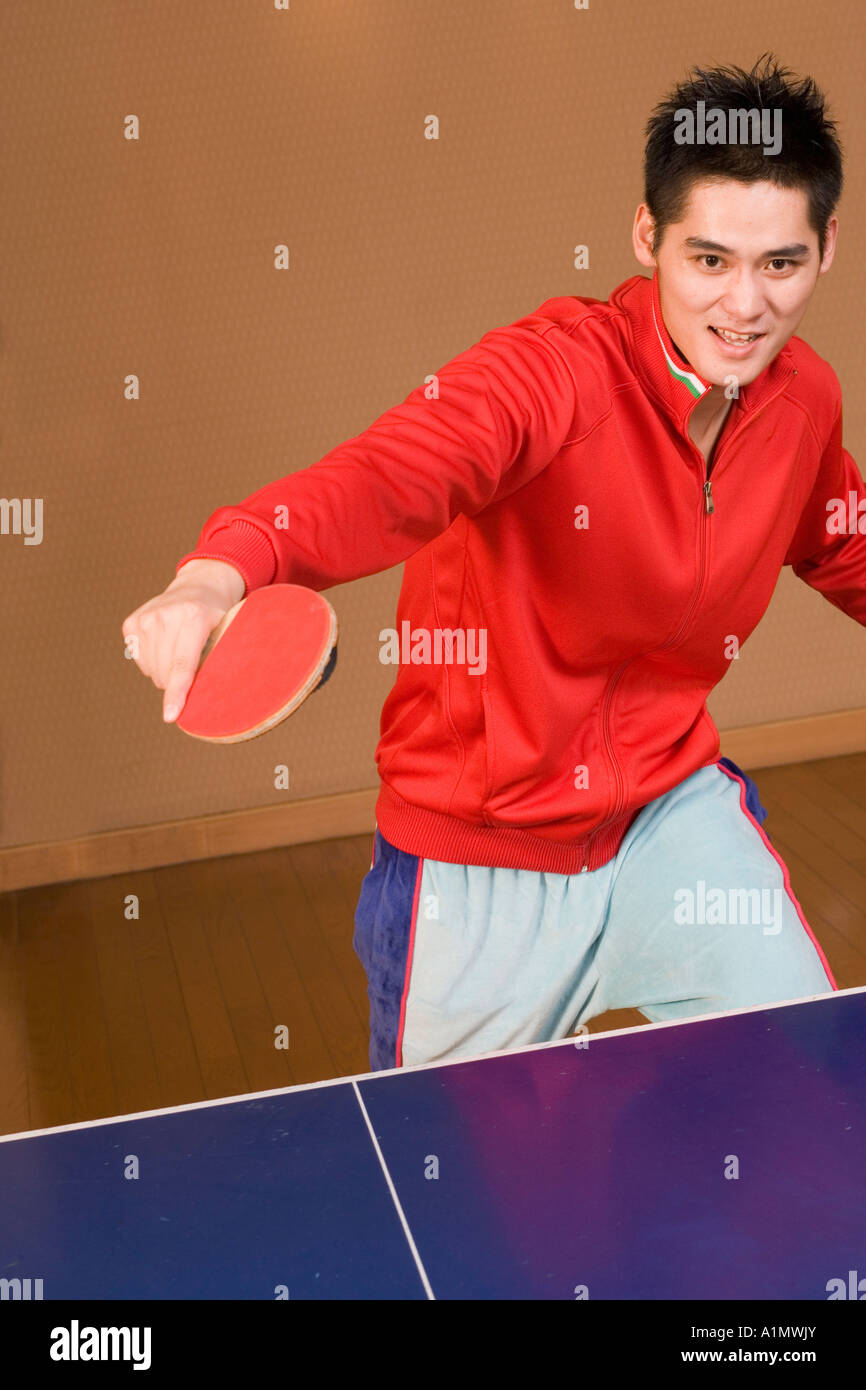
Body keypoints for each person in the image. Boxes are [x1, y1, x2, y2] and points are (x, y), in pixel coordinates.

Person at [122, 55, 865, 1072]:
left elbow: (836, 536)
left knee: (806, 1092)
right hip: (480, 856)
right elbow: (383, 476)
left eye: (778, 264)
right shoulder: (546, 377)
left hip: (665, 818)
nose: (743, 306)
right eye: (707, 259)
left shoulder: (801, 398)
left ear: (827, 244)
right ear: (645, 236)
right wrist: (226, 568)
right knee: (451, 1205)